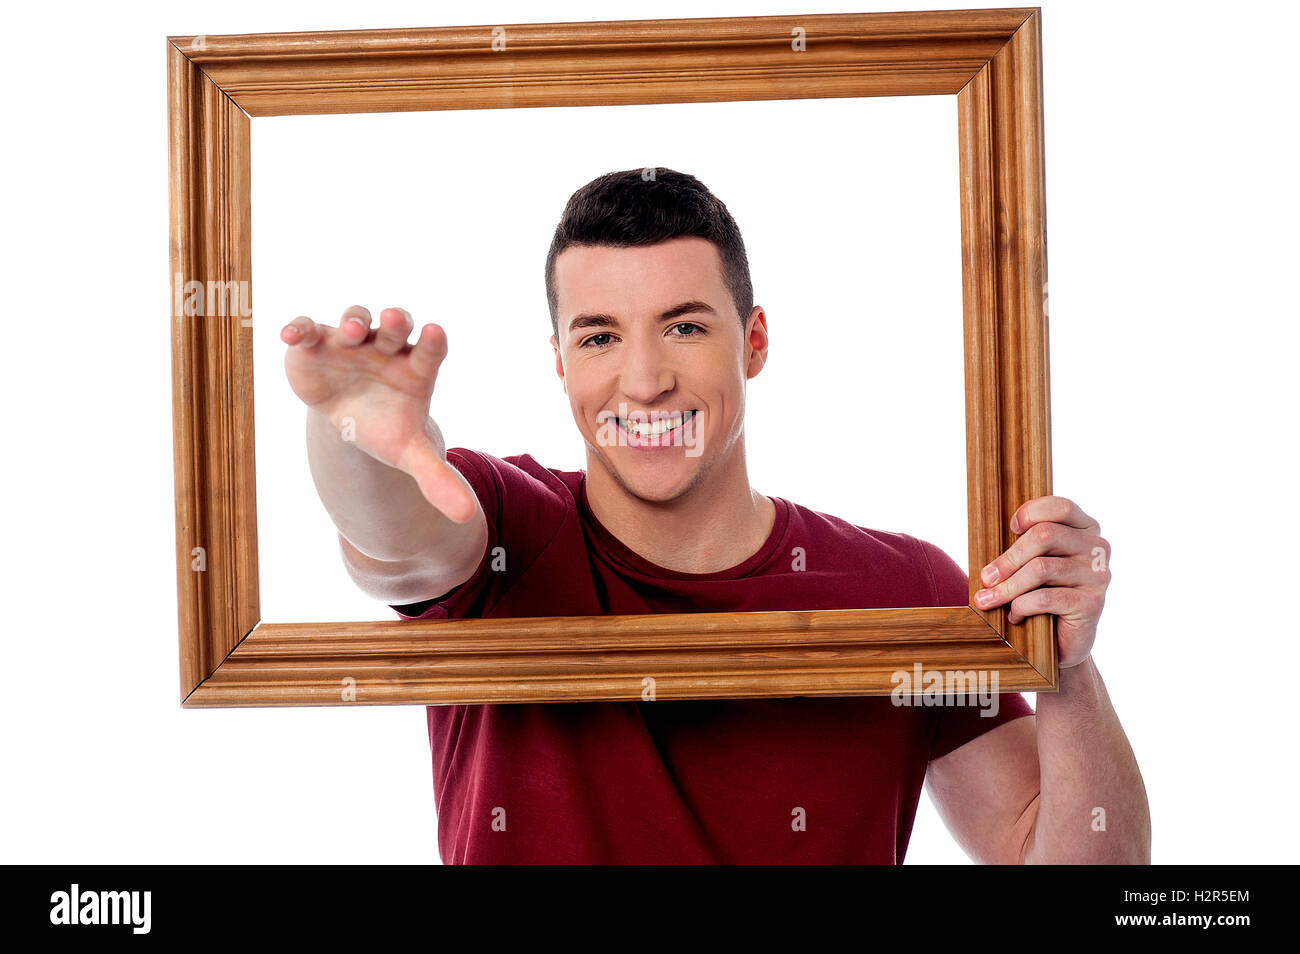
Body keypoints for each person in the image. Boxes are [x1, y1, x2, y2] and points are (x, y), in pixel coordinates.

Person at [281, 168, 1150, 864]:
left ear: (755, 340)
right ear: (558, 361)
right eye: (599, 336)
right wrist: (353, 439)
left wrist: (1066, 667)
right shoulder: (512, 534)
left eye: (685, 327)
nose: (646, 379)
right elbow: (395, 543)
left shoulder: (907, 589)